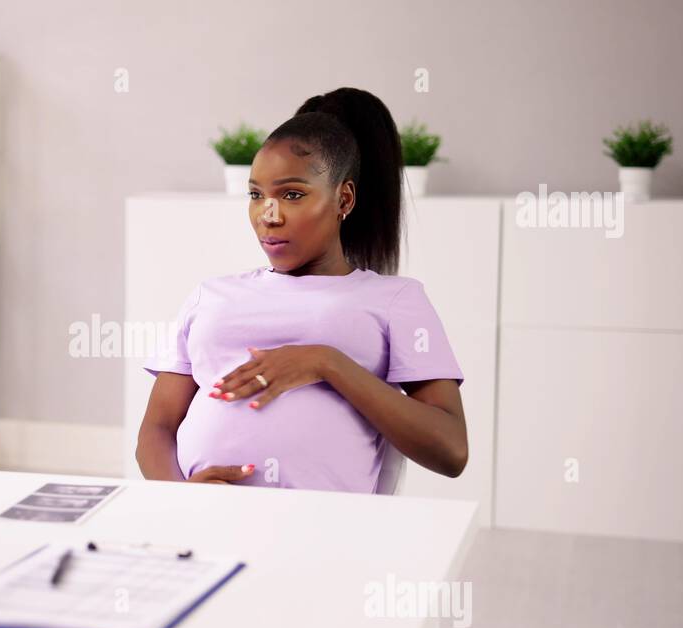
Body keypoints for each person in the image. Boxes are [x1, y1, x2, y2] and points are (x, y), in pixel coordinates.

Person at [136, 87, 467, 492]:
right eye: (256, 195)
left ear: (344, 199)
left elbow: (451, 451)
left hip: (318, 531)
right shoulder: (211, 295)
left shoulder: (395, 300)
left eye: (292, 195)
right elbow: (157, 427)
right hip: (206, 518)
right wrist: (181, 494)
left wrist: (326, 363)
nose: (268, 216)